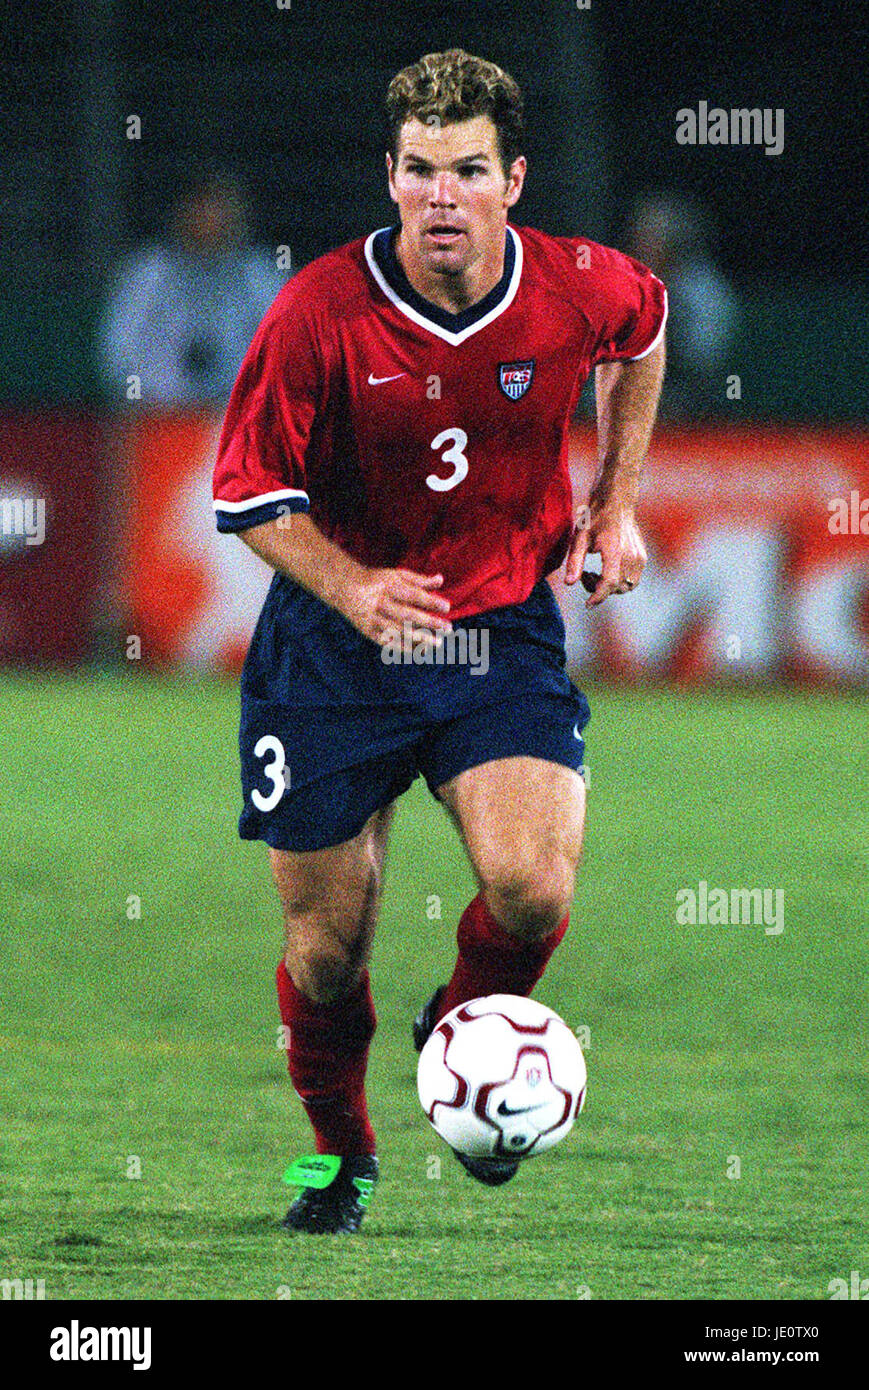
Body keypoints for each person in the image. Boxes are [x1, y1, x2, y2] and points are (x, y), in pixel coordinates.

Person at [212, 49, 666, 1234]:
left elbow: (646, 328)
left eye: (467, 170)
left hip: (494, 632)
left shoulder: (574, 283)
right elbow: (246, 492)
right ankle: (342, 1153)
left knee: (528, 884)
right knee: (323, 951)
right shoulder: (318, 310)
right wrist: (354, 588)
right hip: (332, 651)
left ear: (512, 179)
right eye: (418, 171)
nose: (440, 196)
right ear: (391, 176)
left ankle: (456, 1031)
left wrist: (612, 502)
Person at [101, 170, 288, 405]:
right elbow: (117, 355)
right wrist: (165, 398)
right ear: (182, 213)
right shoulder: (147, 271)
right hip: (161, 418)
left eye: (221, 209)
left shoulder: (261, 273)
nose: (210, 220)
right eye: (201, 208)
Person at [624, 191, 736, 419]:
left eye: (651, 239)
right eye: (639, 237)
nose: (641, 246)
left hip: (693, 402)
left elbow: (704, 368)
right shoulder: (625, 280)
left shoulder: (701, 292)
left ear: (673, 245)